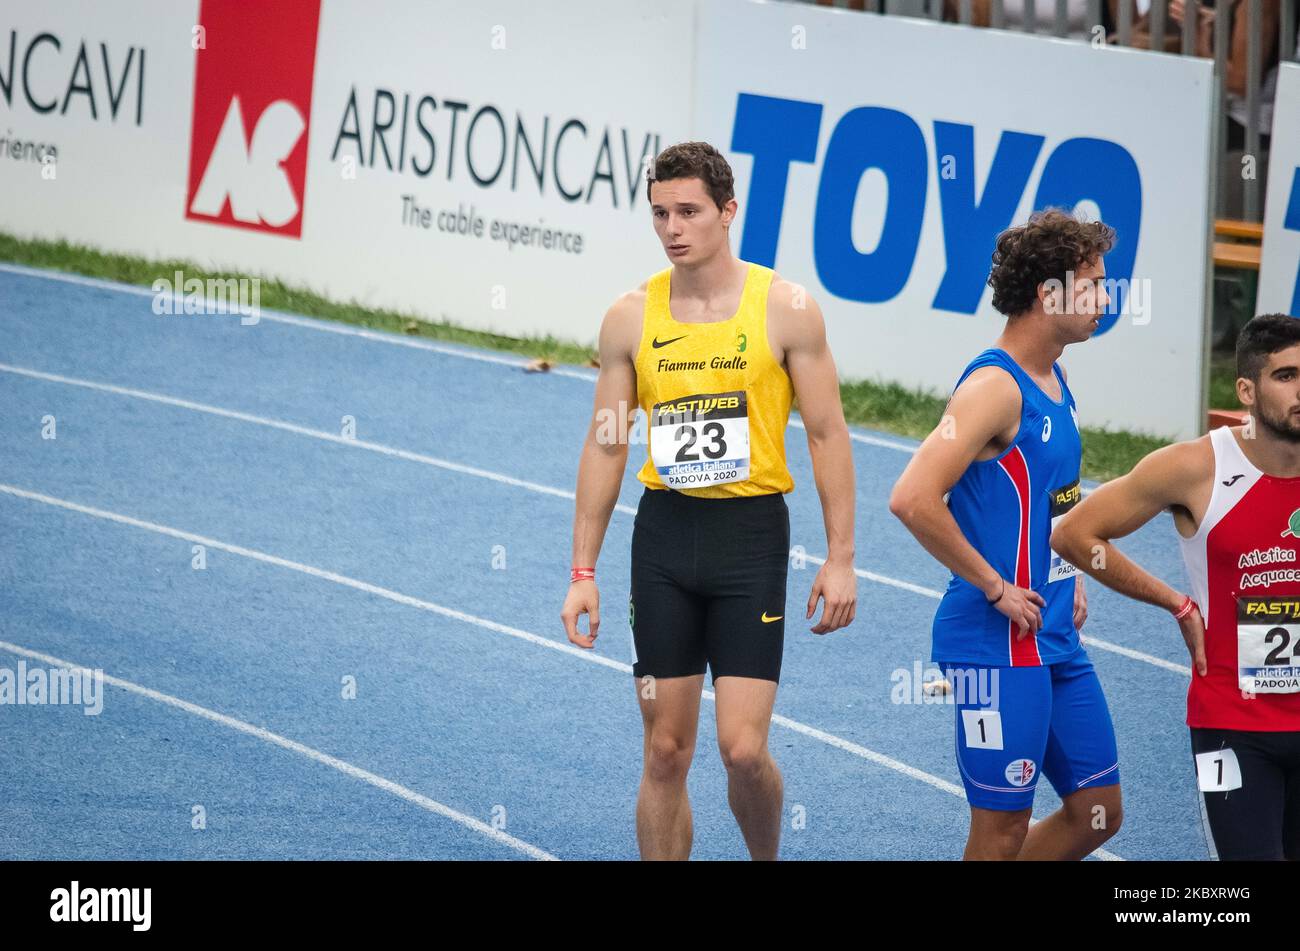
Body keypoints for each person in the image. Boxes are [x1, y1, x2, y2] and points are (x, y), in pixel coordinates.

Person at [561, 141, 857, 860]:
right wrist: (583, 571)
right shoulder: (629, 318)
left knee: (742, 748)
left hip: (750, 539)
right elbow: (607, 442)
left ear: (728, 212)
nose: (672, 227)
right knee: (665, 749)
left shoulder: (786, 311)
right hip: (664, 538)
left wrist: (841, 556)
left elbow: (825, 433)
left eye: (688, 211)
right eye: (660, 213)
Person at [890, 208, 1123, 860]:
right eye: (1095, 283)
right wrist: (996, 586)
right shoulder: (994, 388)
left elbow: (1061, 495)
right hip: (994, 640)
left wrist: (1069, 574)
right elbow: (911, 497)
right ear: (1049, 294)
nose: (1107, 298)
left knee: (1098, 812)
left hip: (1052, 634)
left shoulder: (1057, 377)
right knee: (1000, 831)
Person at [1052, 313, 1300, 860]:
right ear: (1247, 389)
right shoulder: (1196, 467)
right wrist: (1174, 601)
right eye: (1286, 376)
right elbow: (1074, 535)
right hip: (1233, 727)